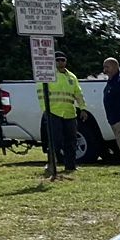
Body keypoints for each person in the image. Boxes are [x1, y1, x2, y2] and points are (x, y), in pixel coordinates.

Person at [41, 52, 86, 180]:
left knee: (71, 140)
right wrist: (46, 110)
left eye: (63, 60)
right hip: (54, 112)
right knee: (55, 141)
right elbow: (41, 93)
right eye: (58, 60)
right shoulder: (48, 76)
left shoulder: (71, 77)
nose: (61, 62)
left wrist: (83, 108)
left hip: (69, 113)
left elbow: (78, 93)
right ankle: (51, 165)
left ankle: (71, 165)